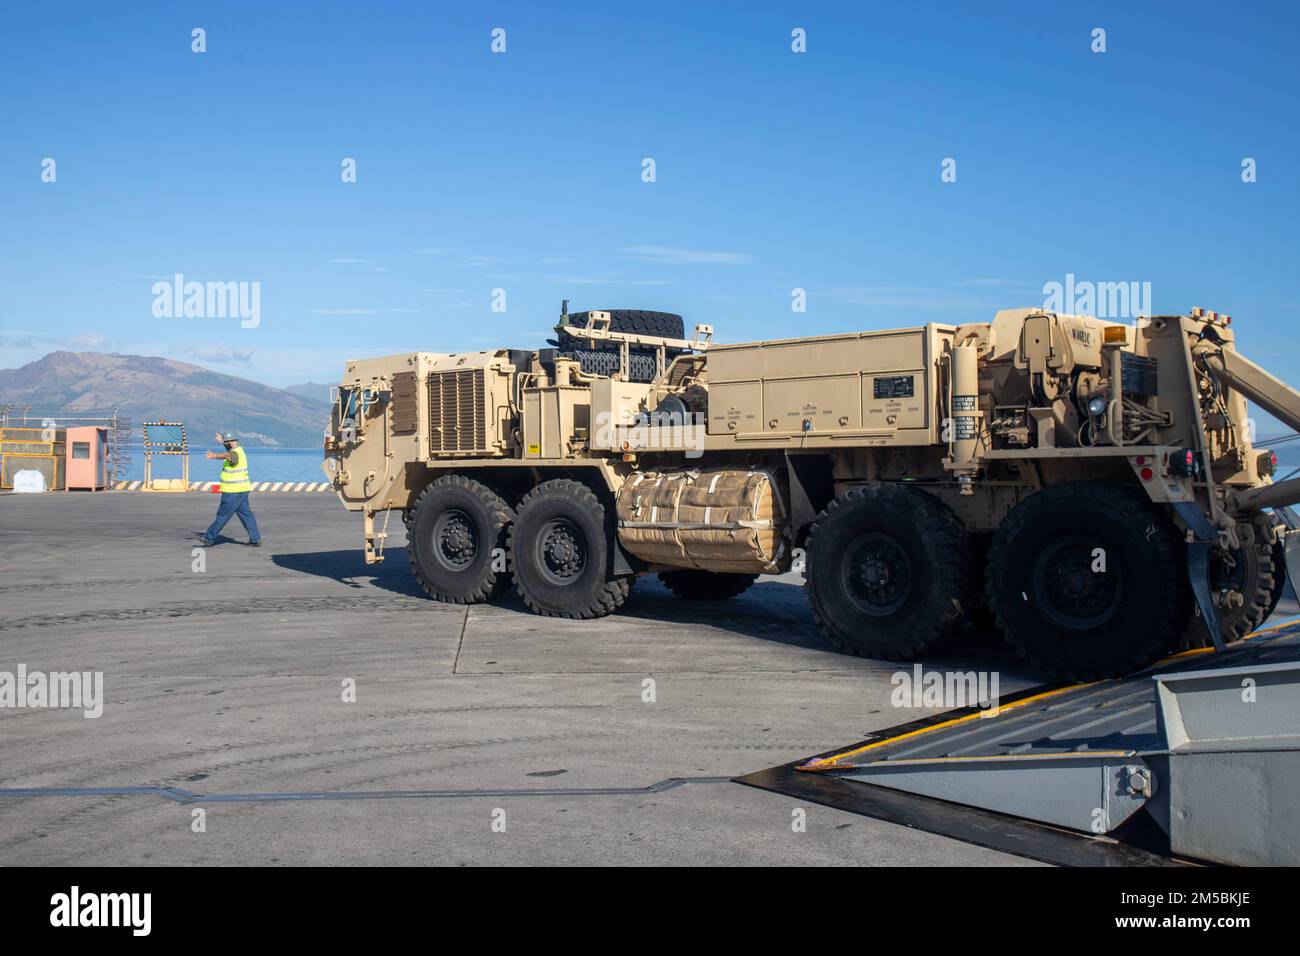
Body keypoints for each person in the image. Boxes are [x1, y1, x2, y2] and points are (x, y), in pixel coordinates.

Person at [197, 431, 262, 547]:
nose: (227, 444)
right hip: (243, 489)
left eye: (228, 442)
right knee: (246, 515)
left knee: (223, 515)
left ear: (232, 443)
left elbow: (229, 455)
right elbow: (229, 449)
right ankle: (255, 539)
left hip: (233, 491)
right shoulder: (239, 449)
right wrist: (222, 440)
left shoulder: (234, 454)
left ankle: (209, 538)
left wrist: (213, 456)